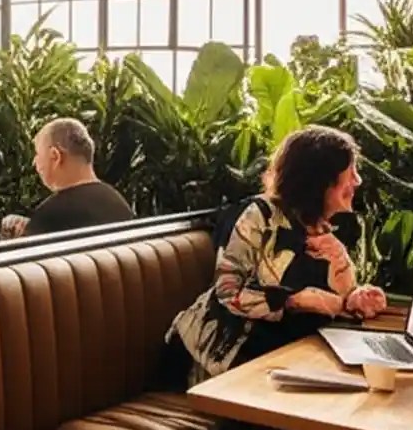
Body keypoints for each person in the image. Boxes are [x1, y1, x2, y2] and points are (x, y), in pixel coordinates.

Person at [163, 126, 386, 392]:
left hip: (283, 360)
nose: (358, 181)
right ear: (319, 181)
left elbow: (334, 301)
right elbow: (228, 293)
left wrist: (356, 298)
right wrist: (292, 301)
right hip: (219, 358)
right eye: (349, 174)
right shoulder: (258, 216)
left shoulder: (322, 227)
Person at [23, 118, 133, 237]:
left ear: (55, 156)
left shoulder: (50, 217)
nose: (35, 162)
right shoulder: (119, 205)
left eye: (37, 154)